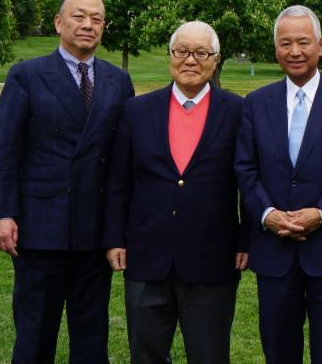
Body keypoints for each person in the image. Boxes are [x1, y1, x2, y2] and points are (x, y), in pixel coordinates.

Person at [0, 0, 136, 364]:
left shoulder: (118, 81)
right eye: (79, 16)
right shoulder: (27, 75)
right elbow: (6, 150)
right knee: (35, 336)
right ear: (58, 23)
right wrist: (2, 213)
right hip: (40, 229)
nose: (88, 25)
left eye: (96, 19)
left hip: (94, 232)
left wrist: (121, 229)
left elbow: (124, 160)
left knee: (91, 338)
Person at [103, 20, 248, 363]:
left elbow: (249, 180)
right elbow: (119, 181)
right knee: (146, 354)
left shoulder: (239, 111)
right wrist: (114, 238)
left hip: (212, 259)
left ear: (216, 59)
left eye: (201, 53)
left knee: (210, 355)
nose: (190, 60)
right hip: (147, 256)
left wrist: (246, 240)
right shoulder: (136, 110)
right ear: (170, 55)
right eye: (181, 51)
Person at [235, 6, 322, 364]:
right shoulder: (256, 103)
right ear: (276, 49)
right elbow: (245, 169)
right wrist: (268, 214)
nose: (294, 51)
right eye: (285, 43)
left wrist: (321, 213)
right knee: (279, 350)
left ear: (320, 46)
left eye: (303, 42)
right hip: (274, 251)